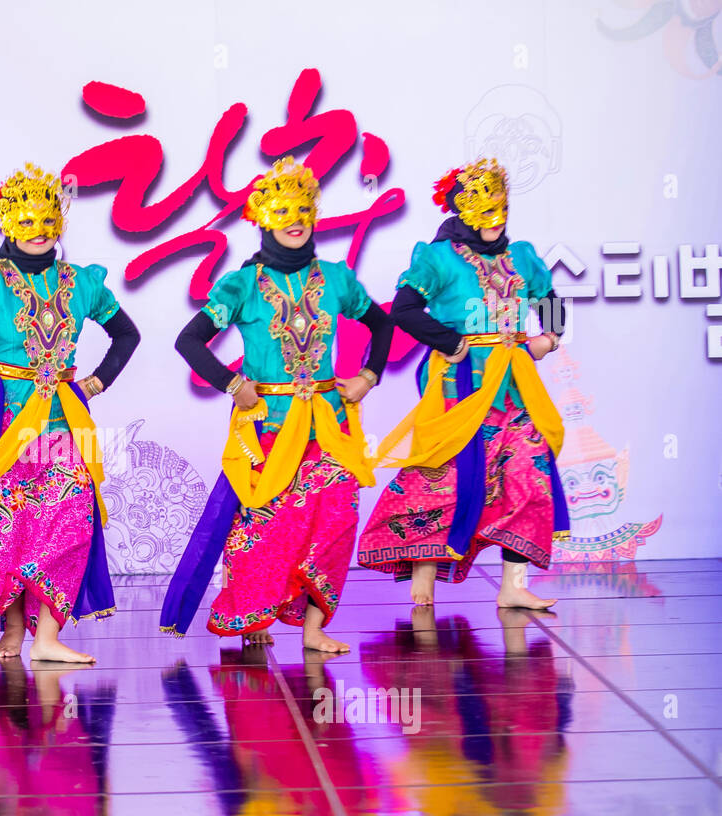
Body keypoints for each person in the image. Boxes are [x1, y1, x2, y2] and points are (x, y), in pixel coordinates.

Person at [161, 155, 394, 653]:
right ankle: (251, 615)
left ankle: (314, 628)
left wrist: (368, 376)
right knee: (264, 525)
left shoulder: (335, 278)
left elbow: (381, 323)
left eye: (303, 211)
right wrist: (230, 383)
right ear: (263, 217)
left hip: (329, 423)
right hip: (266, 424)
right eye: (283, 211)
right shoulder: (241, 285)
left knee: (335, 520)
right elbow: (190, 341)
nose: (294, 220)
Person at [0, 163, 140, 663]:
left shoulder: (83, 283)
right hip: (3, 424)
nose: (38, 231)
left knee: (69, 523)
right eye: (26, 220)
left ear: (59, 222)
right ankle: (12, 632)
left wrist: (96, 382)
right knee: (7, 527)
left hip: (61, 422)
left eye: (47, 220)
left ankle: (48, 638)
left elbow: (128, 333)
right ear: (8, 223)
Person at [356, 158, 568, 609]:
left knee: (529, 473)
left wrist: (547, 337)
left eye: (501, 210)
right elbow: (405, 309)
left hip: (515, 386)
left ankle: (513, 586)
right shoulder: (439, 259)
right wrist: (451, 342)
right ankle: (423, 576)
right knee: (447, 479)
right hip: (462, 384)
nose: (494, 220)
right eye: (483, 210)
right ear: (461, 209)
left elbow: (550, 301)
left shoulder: (521, 256)